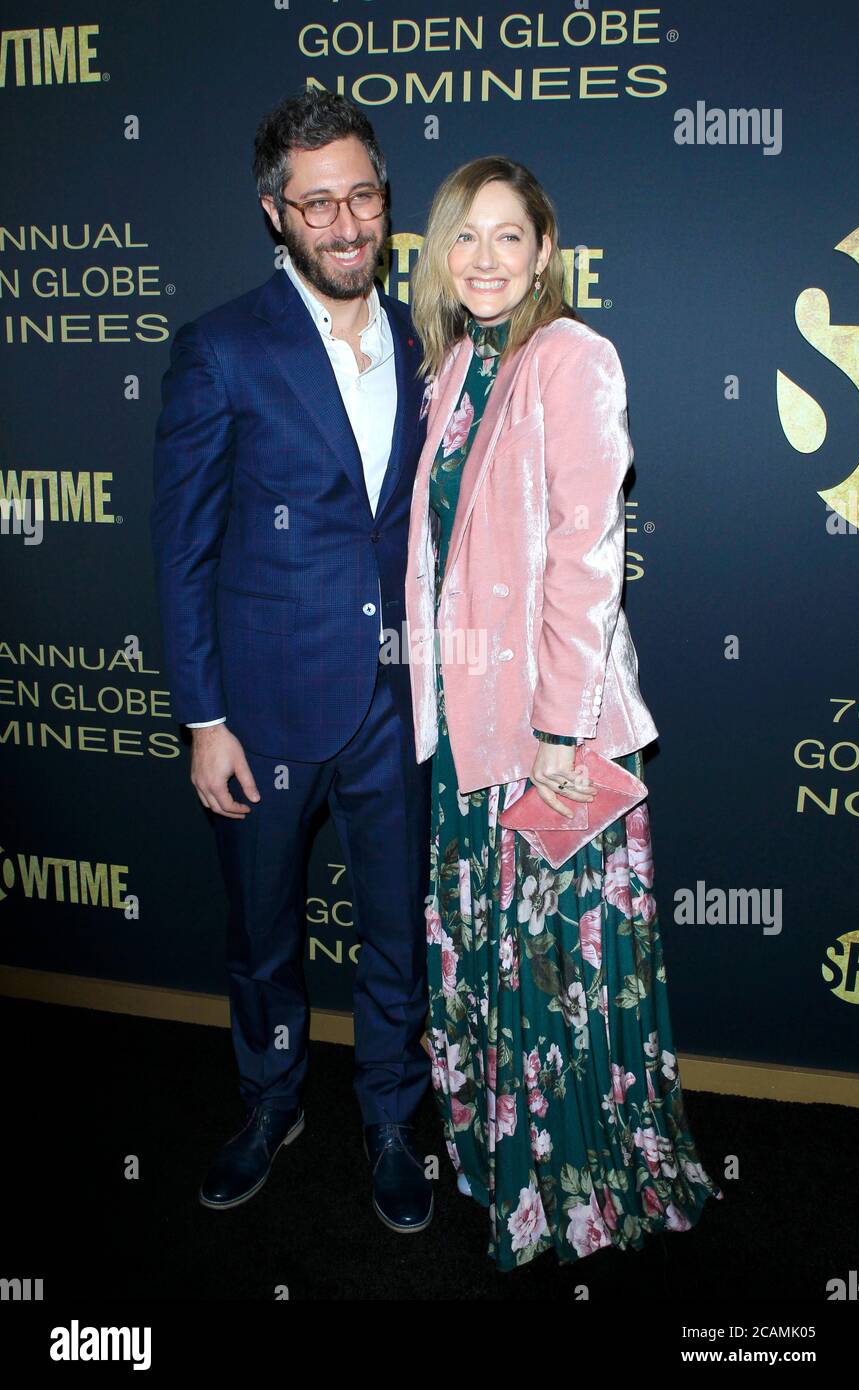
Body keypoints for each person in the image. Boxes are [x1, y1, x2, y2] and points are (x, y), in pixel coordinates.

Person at [405, 155, 723, 1270]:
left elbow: (587, 559)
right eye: (463, 236)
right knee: (488, 953)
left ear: (545, 252)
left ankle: (578, 1177)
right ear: (439, 254)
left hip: (550, 730)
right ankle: (504, 1163)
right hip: (465, 730)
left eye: (508, 236)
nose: (484, 257)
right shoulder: (449, 371)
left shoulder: (569, 358)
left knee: (553, 968)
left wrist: (551, 732)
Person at [150, 89, 434, 1232]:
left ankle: (389, 1111)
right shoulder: (221, 347)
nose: (345, 222)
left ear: (382, 198)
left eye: (361, 193)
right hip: (262, 708)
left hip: (395, 694)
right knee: (262, 936)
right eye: (316, 203)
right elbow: (182, 548)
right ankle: (271, 1099)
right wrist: (203, 718)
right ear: (275, 214)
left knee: (395, 926)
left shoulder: (422, 335)